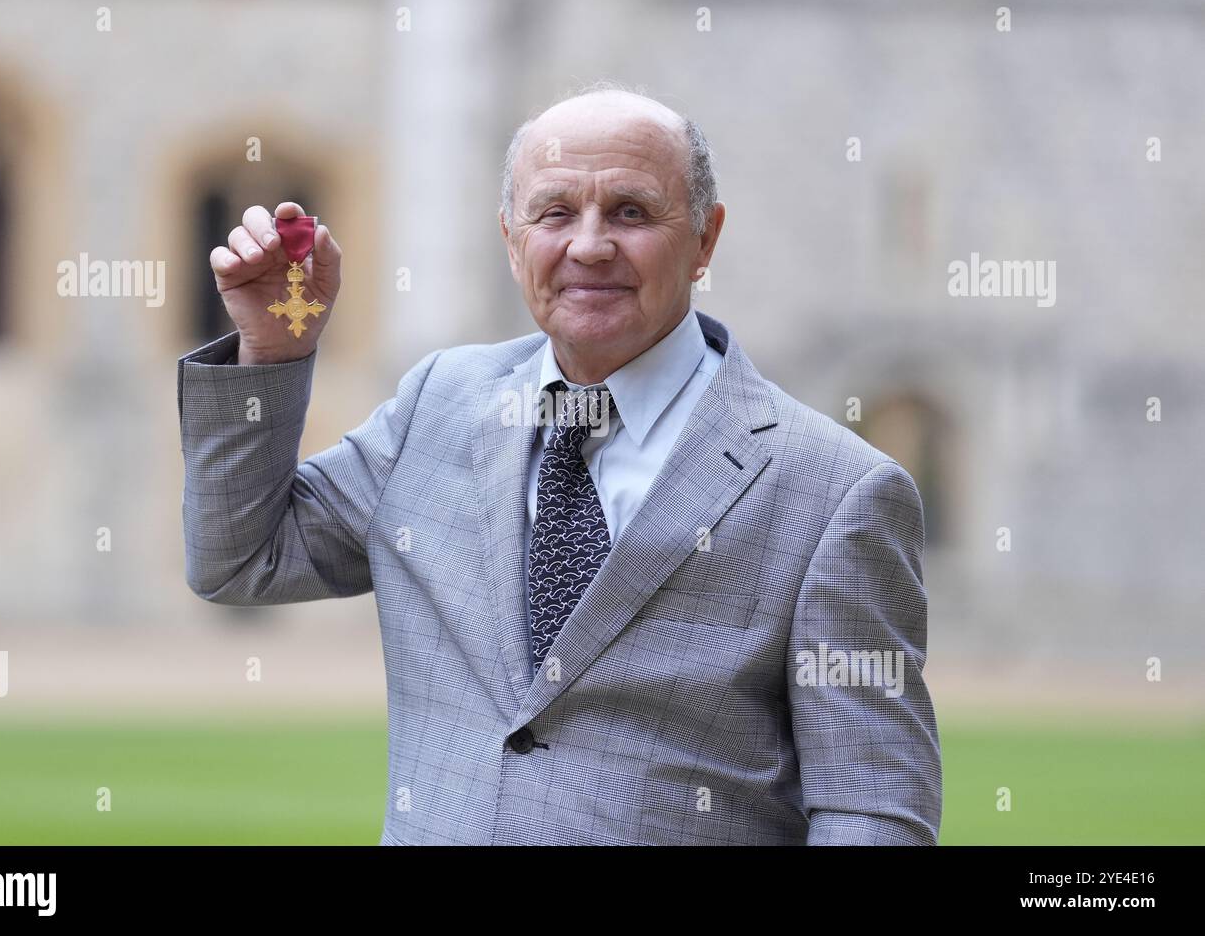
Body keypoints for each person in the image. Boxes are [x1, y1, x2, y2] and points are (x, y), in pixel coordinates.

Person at [178, 86, 941, 845]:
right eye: (555, 213)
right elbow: (242, 558)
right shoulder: (437, 406)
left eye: (632, 212)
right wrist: (272, 353)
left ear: (705, 239)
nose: (589, 245)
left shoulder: (837, 490)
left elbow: (869, 807)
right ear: (512, 240)